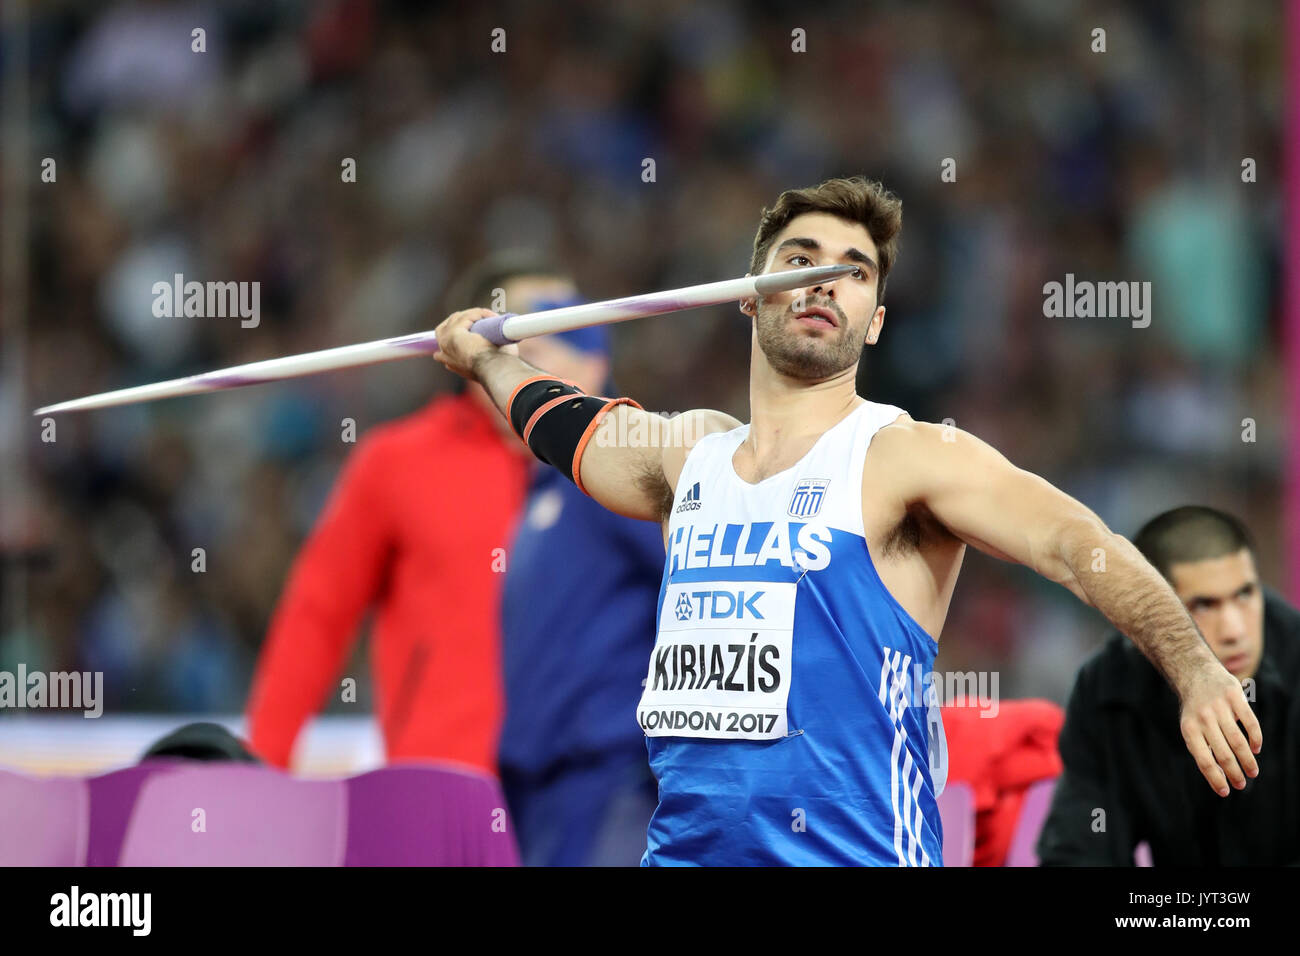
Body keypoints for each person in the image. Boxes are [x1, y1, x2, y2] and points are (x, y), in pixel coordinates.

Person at [430, 176, 1260, 866]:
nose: (823, 281)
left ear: (877, 319)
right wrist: (488, 359)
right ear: (750, 299)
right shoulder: (692, 455)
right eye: (799, 260)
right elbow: (575, 429)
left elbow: (1082, 549)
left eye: (855, 271)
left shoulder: (907, 456)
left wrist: (1193, 669)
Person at [244, 253, 566, 774]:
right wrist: (260, 765)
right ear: (471, 341)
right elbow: (317, 615)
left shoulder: (615, 465)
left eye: (567, 327)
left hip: (583, 800)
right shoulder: (396, 463)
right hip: (439, 786)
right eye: (530, 327)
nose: (551, 350)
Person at [1037, 506, 1300, 865]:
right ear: (1155, 613)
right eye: (1204, 605)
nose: (1235, 630)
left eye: (1245, 594)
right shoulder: (1107, 689)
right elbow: (1079, 850)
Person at [498, 321, 665, 867]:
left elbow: (687, 579)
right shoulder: (542, 487)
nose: (511, 381)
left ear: (592, 366)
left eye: (535, 358)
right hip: (536, 775)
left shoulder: (615, 475)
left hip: (609, 773)